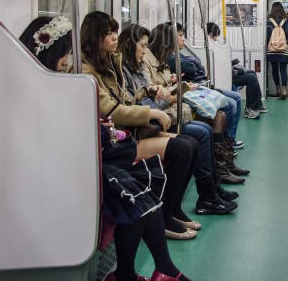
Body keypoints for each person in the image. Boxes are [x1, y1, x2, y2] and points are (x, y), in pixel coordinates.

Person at [18, 17, 191, 281]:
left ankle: (150, 268)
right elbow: (100, 112)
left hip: (91, 149)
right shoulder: (70, 78)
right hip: (72, 161)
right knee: (134, 187)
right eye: (63, 54)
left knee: (144, 186)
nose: (67, 61)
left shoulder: (89, 71)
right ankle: (135, 272)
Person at [79, 12, 200, 240]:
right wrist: (150, 111)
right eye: (108, 33)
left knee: (191, 144)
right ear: (95, 37)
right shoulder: (88, 72)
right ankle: (164, 215)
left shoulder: (108, 64)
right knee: (182, 148)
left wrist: (146, 92)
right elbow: (112, 110)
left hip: (128, 133)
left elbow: (124, 98)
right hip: (117, 141)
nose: (114, 37)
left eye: (115, 32)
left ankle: (172, 208)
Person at [119, 24, 236, 223]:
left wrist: (167, 88)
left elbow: (148, 94)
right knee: (201, 133)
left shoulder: (144, 65)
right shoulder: (138, 66)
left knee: (218, 117)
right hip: (148, 123)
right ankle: (205, 194)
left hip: (156, 115)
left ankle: (212, 187)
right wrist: (170, 95)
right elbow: (141, 102)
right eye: (180, 37)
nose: (145, 50)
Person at [145, 23, 247, 186]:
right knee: (212, 122)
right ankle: (212, 183)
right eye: (180, 35)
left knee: (223, 112)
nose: (144, 49)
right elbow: (157, 99)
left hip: (177, 103)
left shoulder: (163, 61)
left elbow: (190, 69)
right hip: (167, 113)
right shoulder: (151, 63)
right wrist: (177, 89)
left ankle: (222, 168)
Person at [206, 22, 266, 118]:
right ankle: (249, 109)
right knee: (251, 78)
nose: (216, 39)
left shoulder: (213, 47)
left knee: (252, 73)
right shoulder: (209, 48)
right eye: (215, 36)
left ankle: (257, 105)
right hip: (224, 76)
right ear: (209, 34)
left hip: (227, 73)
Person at [266, 1, 288, 99]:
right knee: (283, 70)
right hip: (284, 49)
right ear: (282, 8)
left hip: (271, 49)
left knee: (274, 69)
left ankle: (277, 89)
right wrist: (286, 43)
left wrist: (271, 43)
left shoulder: (269, 21)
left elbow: (267, 35)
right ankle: (284, 90)